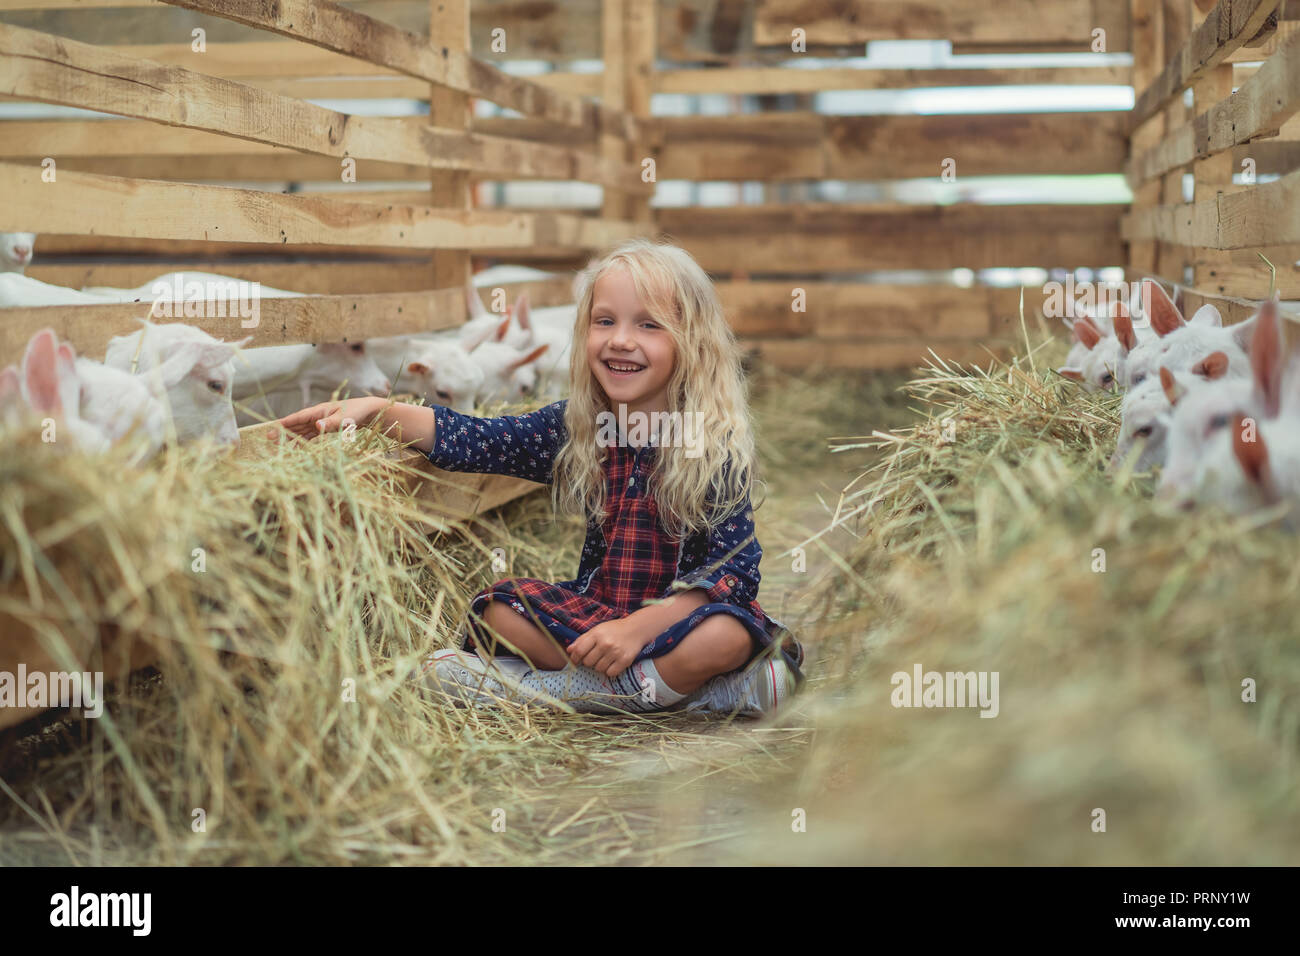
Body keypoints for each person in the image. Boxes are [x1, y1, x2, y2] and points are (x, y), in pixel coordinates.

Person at [273, 238, 805, 717]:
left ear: (693, 340)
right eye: (604, 321)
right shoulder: (579, 425)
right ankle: (680, 695)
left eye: (649, 324)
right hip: (598, 617)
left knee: (727, 636)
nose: (620, 340)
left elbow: (733, 572)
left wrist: (637, 629)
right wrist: (376, 410)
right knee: (500, 613)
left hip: (679, 621)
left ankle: (566, 690)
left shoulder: (711, 441)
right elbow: (480, 439)